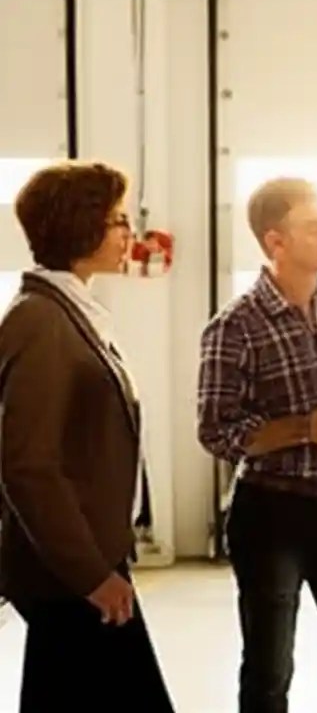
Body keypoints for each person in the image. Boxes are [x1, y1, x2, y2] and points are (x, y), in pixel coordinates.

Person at [197, 177, 317, 712]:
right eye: (314, 228)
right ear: (275, 241)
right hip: (269, 515)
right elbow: (216, 430)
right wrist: (305, 427)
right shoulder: (233, 327)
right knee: (268, 672)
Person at [0, 161, 175, 711]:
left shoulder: (70, 311)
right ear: (81, 228)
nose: (128, 233)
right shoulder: (40, 321)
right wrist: (91, 575)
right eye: (116, 220)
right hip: (68, 572)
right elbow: (28, 464)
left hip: (83, 563)